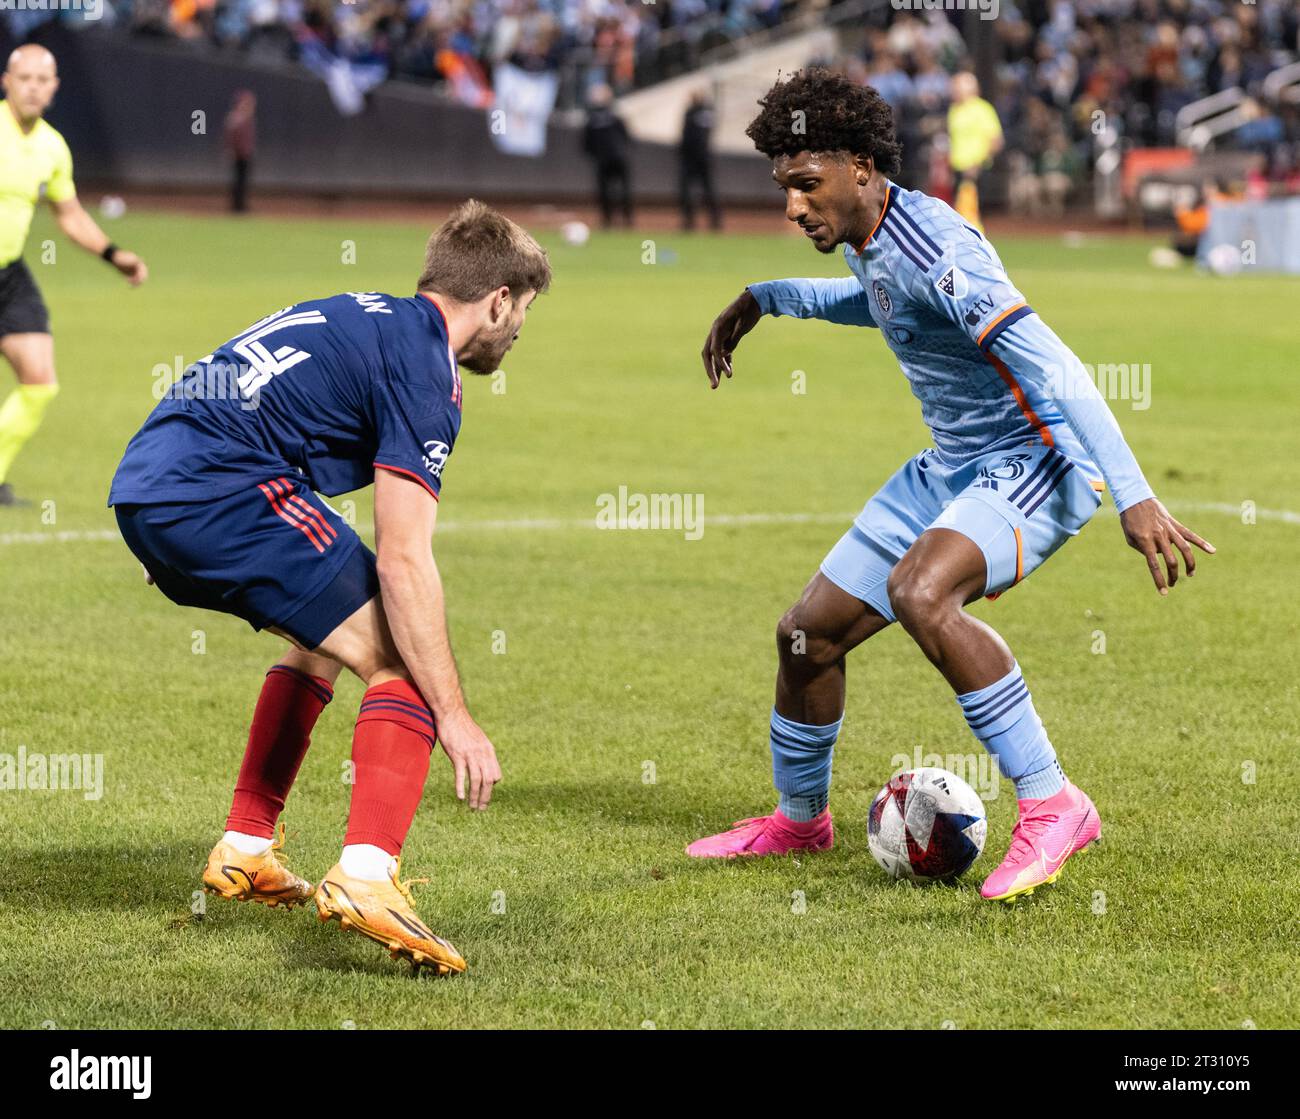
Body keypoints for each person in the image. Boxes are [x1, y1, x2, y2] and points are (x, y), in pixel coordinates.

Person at [692, 70, 1214, 903]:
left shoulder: (940, 247)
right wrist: (767, 299)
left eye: (804, 183)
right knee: (805, 636)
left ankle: (1054, 803)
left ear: (861, 166)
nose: (792, 206)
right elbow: (882, 302)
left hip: (1037, 456)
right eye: (784, 188)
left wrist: (1136, 493)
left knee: (921, 591)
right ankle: (800, 820)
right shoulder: (877, 238)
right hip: (950, 466)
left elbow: (1059, 367)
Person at [107, 201, 550, 972]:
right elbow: (406, 560)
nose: (518, 332)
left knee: (324, 641)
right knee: (402, 655)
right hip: (216, 491)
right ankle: (368, 875)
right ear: (499, 300)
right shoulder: (425, 367)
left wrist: (164, 520)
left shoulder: (359, 313)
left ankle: (245, 849)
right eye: (524, 313)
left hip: (155, 481)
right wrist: (455, 714)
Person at [0, 44, 148, 508]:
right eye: (24, 77)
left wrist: (112, 253)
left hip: (9, 274)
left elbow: (69, 215)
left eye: (42, 79)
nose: (33, 87)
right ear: (6, 80)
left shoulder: (51, 146)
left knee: (40, 381)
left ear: (55, 87)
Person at [947, 71, 1003, 230]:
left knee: (971, 213)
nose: (953, 91)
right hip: (957, 169)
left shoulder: (983, 109)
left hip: (975, 170)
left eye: (957, 87)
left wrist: (977, 164)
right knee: (959, 213)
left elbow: (996, 141)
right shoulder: (954, 110)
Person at [582, 84, 633, 228]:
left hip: (605, 159)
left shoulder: (593, 120)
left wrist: (593, 154)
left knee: (608, 191)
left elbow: (586, 143)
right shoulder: (614, 117)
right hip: (617, 158)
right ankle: (624, 219)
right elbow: (626, 136)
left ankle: (609, 220)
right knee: (621, 190)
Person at [679, 89, 721, 231]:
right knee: (704, 190)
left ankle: (699, 221)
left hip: (695, 158)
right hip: (702, 157)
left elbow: (686, 136)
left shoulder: (693, 113)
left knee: (698, 190)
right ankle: (710, 221)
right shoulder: (707, 113)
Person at [223, 89, 256, 214]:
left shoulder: (248, 118)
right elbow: (229, 137)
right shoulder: (235, 118)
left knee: (243, 180)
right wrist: (230, 150)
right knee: (238, 180)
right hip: (238, 154)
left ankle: (241, 205)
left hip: (246, 154)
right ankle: (237, 206)